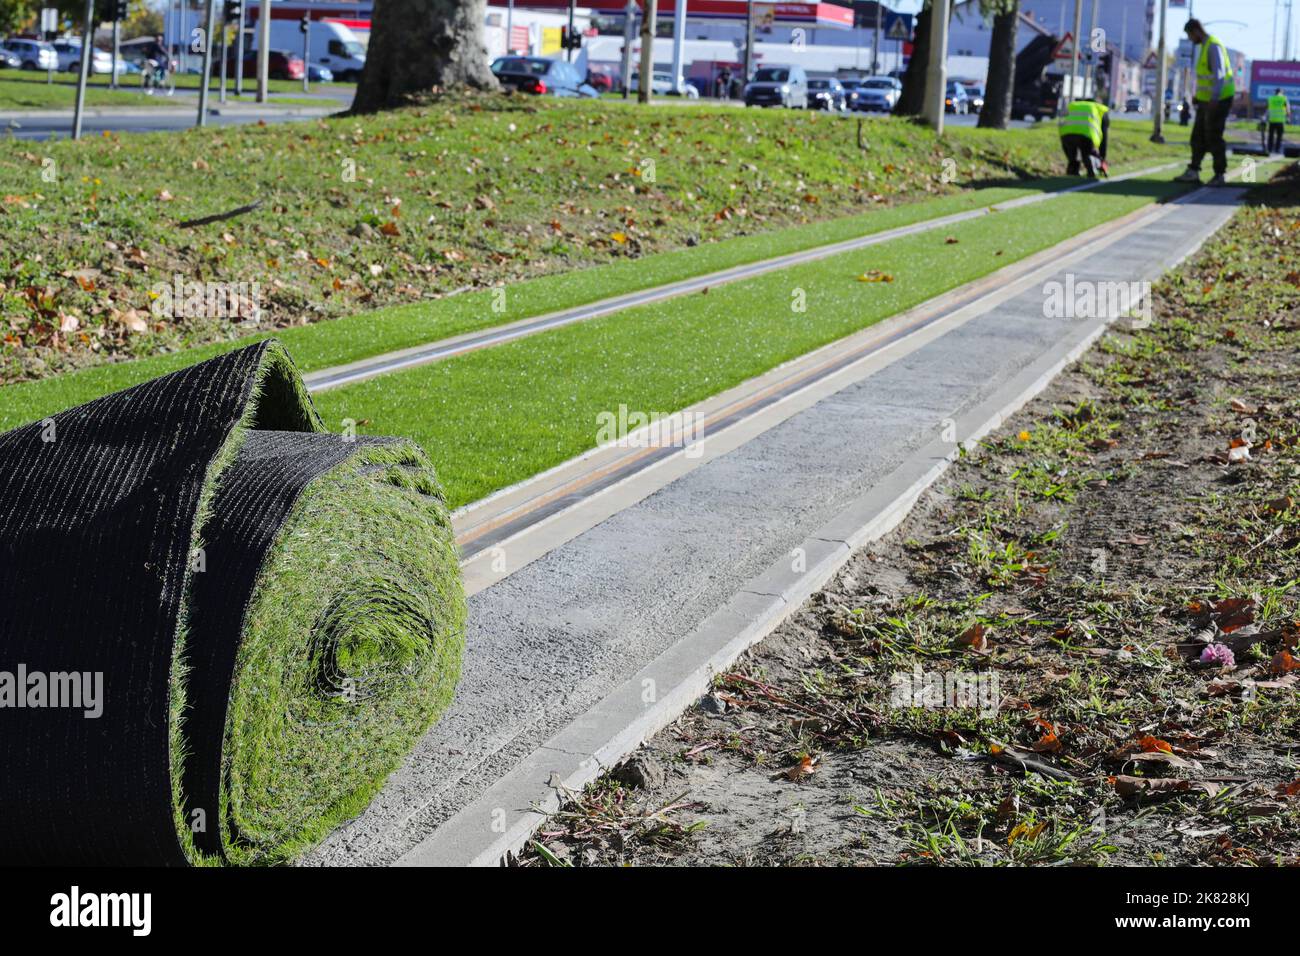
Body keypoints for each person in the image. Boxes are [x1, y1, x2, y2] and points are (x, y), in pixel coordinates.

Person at [1173, 19, 1234, 186]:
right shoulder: (1205, 47)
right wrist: (1198, 97)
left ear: (1196, 31)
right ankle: (1193, 171)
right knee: (1198, 136)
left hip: (1219, 100)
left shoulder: (1213, 46)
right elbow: (1206, 78)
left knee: (1213, 135)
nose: (1191, 39)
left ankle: (1219, 174)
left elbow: (1219, 75)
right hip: (1206, 101)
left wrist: (1214, 98)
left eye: (1190, 35)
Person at [1058, 96, 1110, 178]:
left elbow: (1062, 121)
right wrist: (1102, 158)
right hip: (1086, 135)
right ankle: (1091, 167)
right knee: (1087, 153)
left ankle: (1072, 169)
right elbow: (1104, 138)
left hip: (1066, 134)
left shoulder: (1074, 105)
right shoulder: (1099, 109)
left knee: (1072, 155)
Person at [1267, 87, 1290, 154]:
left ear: (1275, 92)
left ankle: (1270, 149)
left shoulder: (1271, 98)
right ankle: (1277, 149)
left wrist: (1265, 117)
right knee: (1279, 136)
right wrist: (1288, 118)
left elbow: (1268, 108)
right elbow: (1287, 109)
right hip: (1281, 120)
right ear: (1281, 92)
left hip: (1272, 120)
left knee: (1271, 136)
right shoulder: (1284, 98)